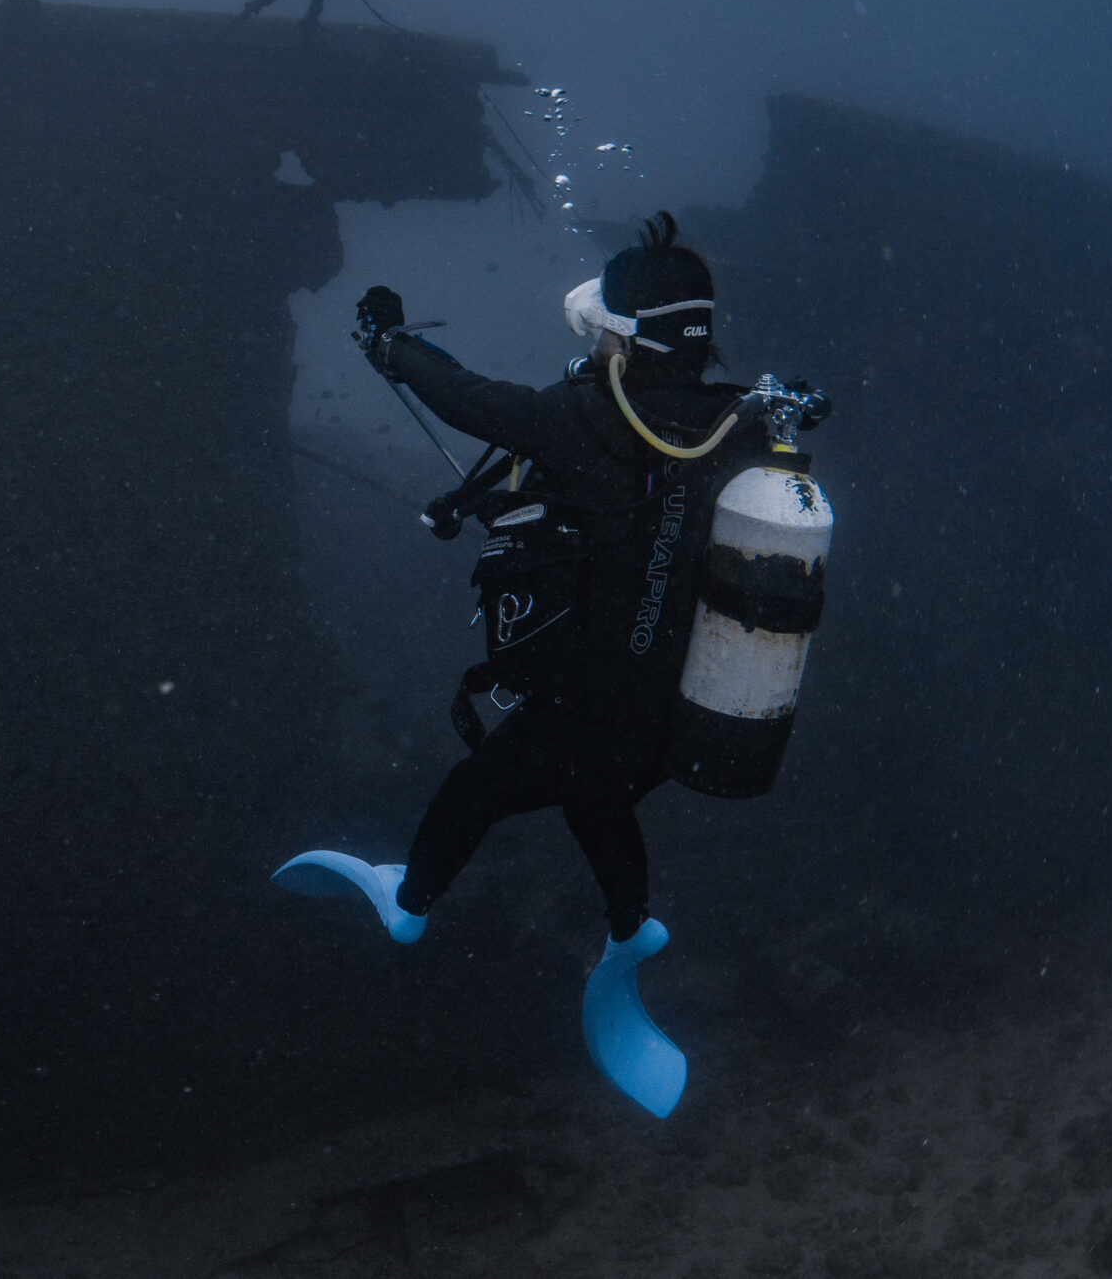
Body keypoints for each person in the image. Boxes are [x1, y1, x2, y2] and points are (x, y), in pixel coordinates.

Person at [273, 211, 753, 1118]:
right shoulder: (735, 423)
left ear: (620, 336)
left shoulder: (577, 420)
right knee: (597, 792)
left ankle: (405, 900)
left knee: (480, 788)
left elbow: (465, 396)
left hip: (582, 704)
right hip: (673, 713)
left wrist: (389, 341)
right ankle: (629, 929)